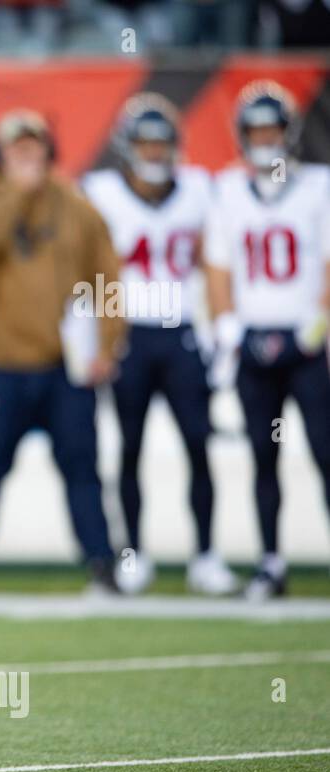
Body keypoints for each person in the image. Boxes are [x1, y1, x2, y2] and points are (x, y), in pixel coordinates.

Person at [0, 110, 125, 594]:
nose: (27, 157)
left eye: (35, 148)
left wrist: (108, 344)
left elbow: (106, 278)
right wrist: (17, 195)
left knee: (83, 469)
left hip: (64, 367)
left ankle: (102, 567)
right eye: (16, 149)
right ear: (0, 156)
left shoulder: (78, 208)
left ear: (50, 152)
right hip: (3, 365)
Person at [82, 94, 236, 596]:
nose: (154, 151)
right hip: (129, 334)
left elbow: (217, 258)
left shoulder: (199, 189)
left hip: (182, 333)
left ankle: (207, 554)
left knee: (198, 443)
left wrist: (221, 331)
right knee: (129, 448)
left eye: (162, 142)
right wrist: (92, 335)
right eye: (146, 142)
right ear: (129, 146)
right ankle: (134, 553)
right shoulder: (101, 192)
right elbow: (89, 270)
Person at [204, 81, 330, 600]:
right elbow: (217, 269)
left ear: (288, 133)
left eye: (271, 129)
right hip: (254, 343)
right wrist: (230, 330)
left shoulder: (318, 185)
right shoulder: (228, 191)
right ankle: (272, 562)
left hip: (305, 343)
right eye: (255, 130)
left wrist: (316, 326)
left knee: (325, 453)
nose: (264, 139)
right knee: (263, 457)